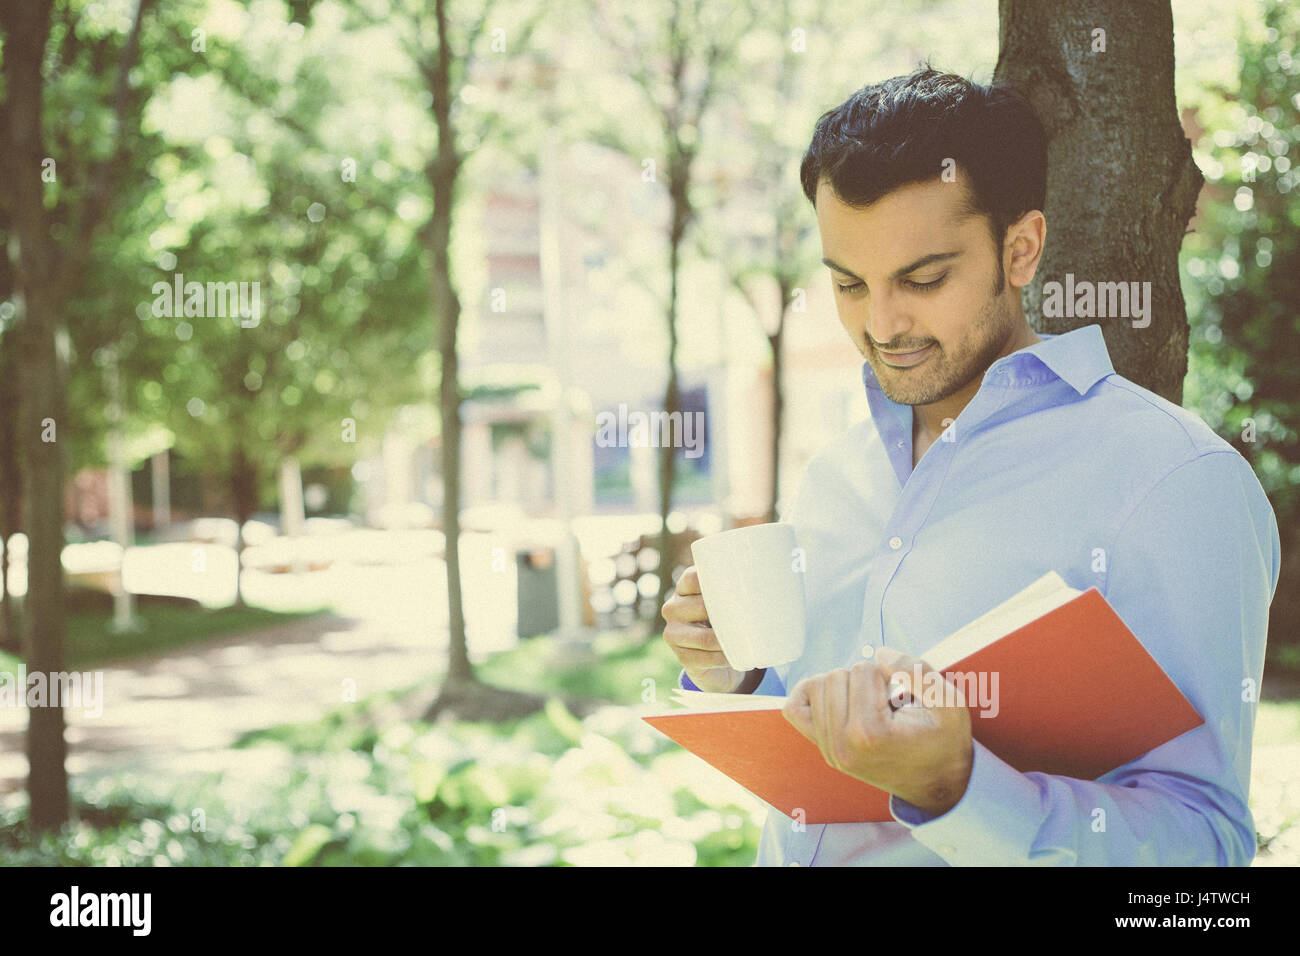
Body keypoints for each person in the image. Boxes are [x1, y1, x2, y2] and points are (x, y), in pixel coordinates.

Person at [661, 66, 1280, 866]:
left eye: (923, 279)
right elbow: (824, 748)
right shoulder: (837, 477)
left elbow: (1206, 849)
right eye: (849, 284)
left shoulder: (1174, 478)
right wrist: (742, 677)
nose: (882, 324)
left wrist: (960, 785)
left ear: (1020, 250)